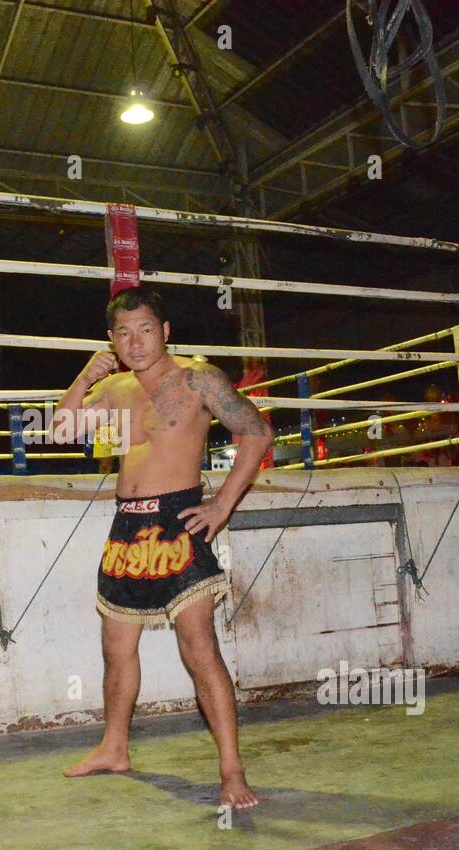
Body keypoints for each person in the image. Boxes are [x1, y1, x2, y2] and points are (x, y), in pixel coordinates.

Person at [52, 286, 273, 810]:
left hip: (179, 521)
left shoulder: (199, 379)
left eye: (145, 329)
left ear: (165, 330)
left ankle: (232, 771)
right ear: (111, 339)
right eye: (124, 333)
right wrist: (86, 376)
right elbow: (62, 429)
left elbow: (258, 433)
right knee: (116, 648)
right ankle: (114, 748)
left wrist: (221, 506)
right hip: (127, 529)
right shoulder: (116, 390)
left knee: (199, 648)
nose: (136, 341)